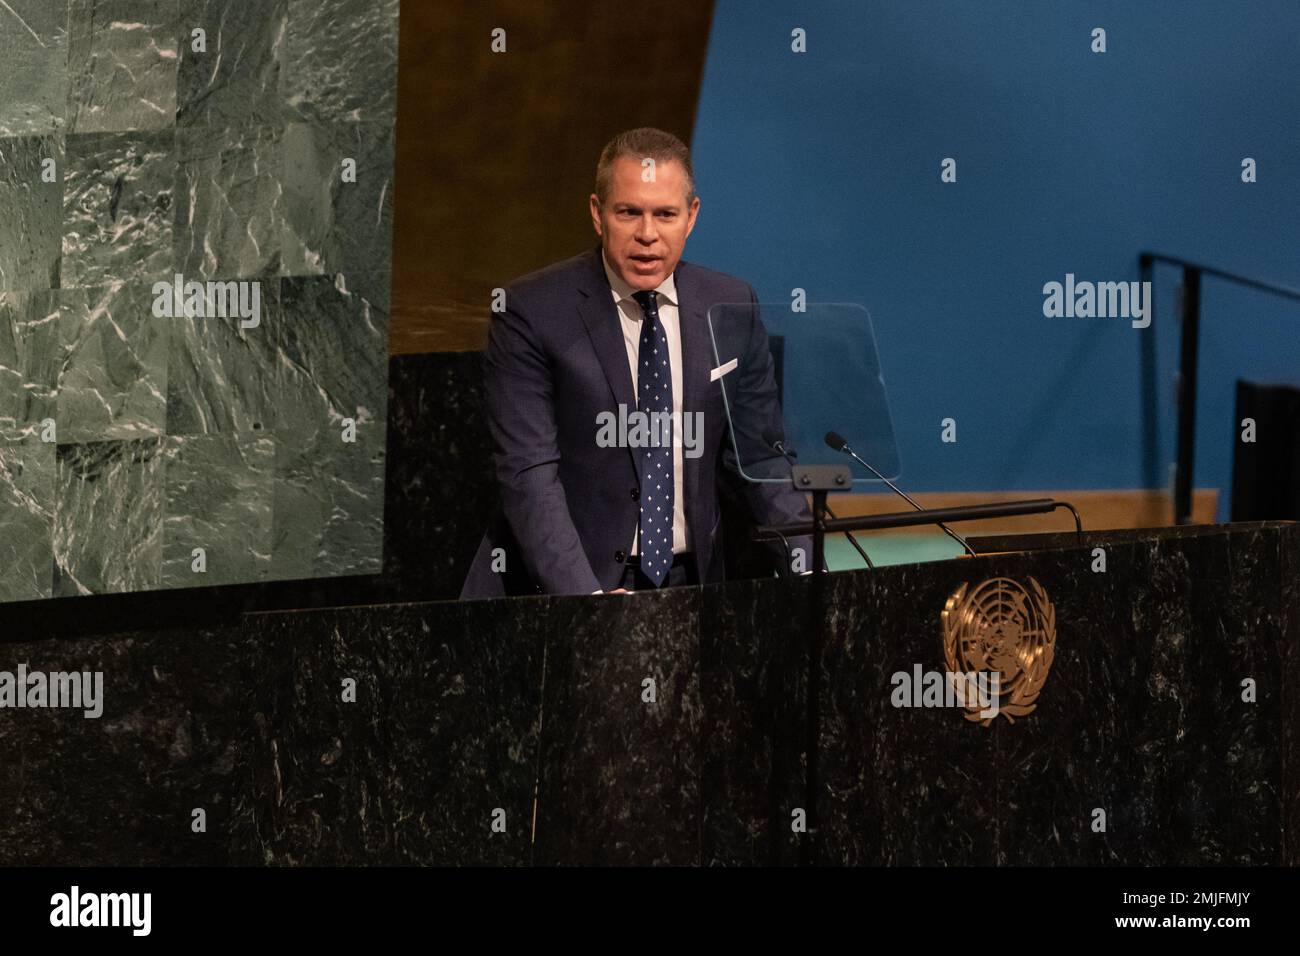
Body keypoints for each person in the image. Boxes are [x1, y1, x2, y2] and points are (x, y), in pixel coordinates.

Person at [460, 127, 811, 598]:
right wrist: (587, 601)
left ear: (691, 217)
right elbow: (529, 474)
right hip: (572, 591)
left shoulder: (730, 304)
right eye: (629, 212)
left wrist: (809, 569)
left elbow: (762, 458)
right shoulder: (532, 310)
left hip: (699, 586)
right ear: (597, 214)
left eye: (665, 214)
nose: (647, 235)